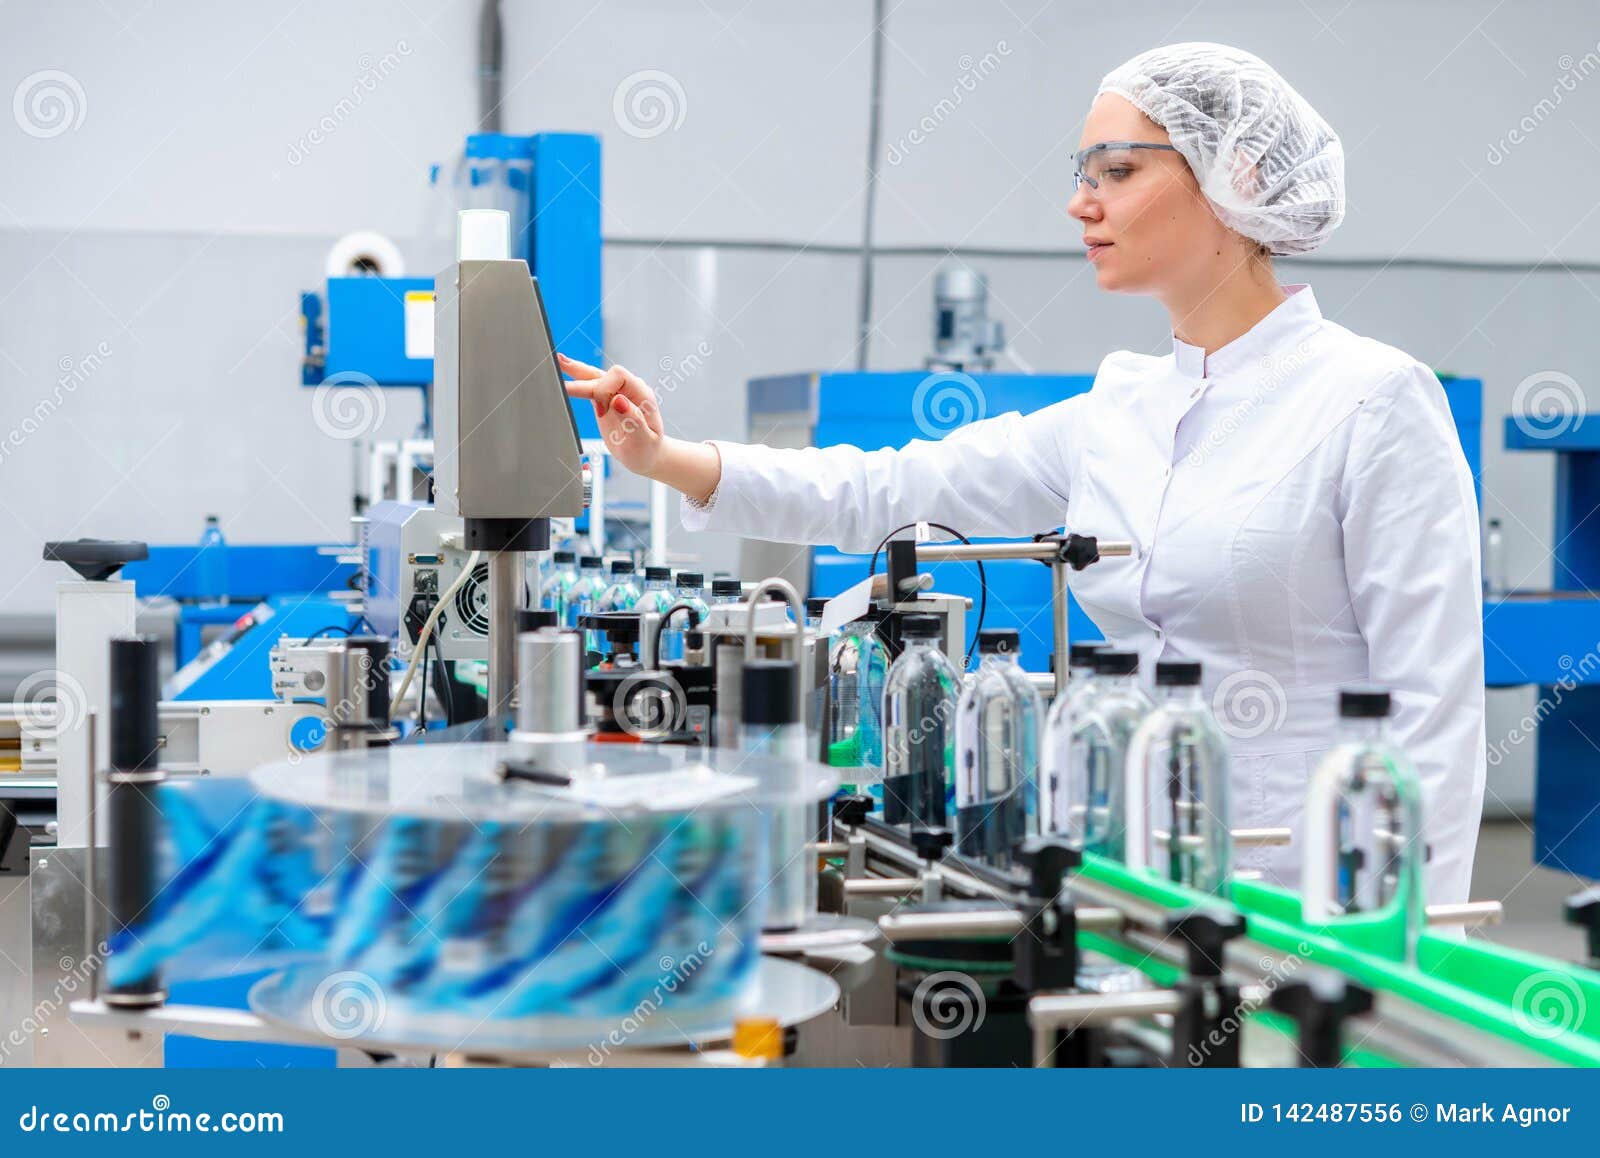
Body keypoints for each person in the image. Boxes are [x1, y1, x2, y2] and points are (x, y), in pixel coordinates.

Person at [558, 43, 1486, 904]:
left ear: (1235, 177)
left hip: (1314, 911)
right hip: (1136, 896)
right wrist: (664, 457)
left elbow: (1437, 713)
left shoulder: (1369, 401)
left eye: (1119, 172)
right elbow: (887, 492)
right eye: (1081, 176)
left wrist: (1411, 960)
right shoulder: (1119, 412)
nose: (1083, 204)